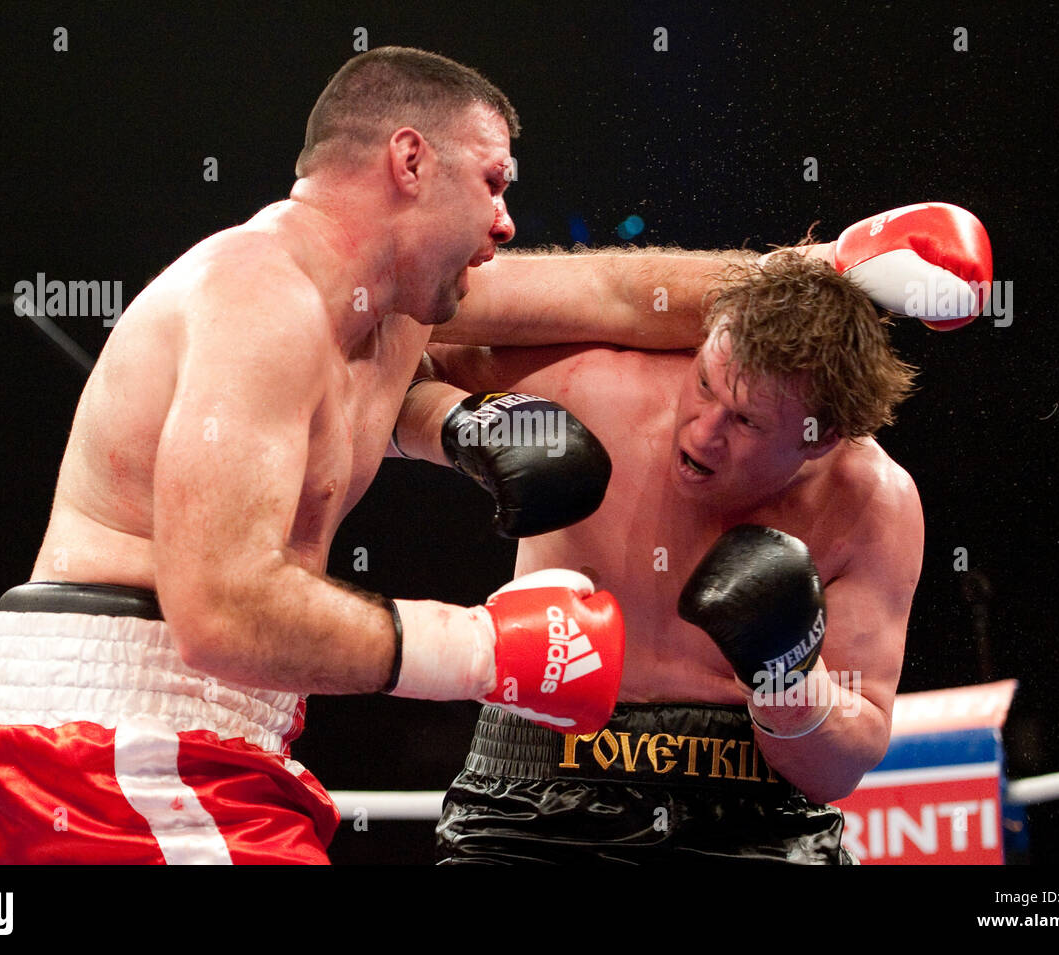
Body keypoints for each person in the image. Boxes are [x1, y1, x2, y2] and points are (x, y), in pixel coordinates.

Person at [0, 45, 717, 865]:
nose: (505, 221)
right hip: (111, 728)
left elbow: (620, 296)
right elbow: (224, 610)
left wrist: (828, 275)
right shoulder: (257, 295)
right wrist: (488, 652)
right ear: (411, 159)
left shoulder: (393, 310)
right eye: (494, 181)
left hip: (211, 732)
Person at [390, 203, 992, 863]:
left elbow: (839, 768)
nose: (702, 429)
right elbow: (375, 367)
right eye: (703, 383)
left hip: (756, 822)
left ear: (822, 440)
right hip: (536, 786)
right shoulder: (590, 386)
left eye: (747, 422)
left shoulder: (872, 502)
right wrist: (459, 425)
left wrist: (791, 684)